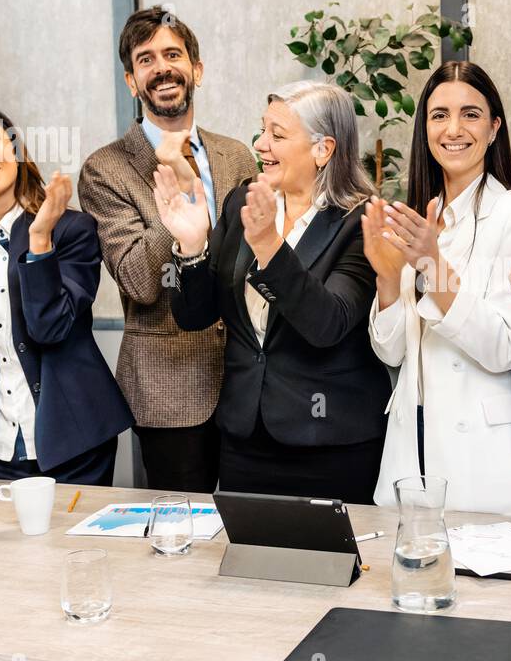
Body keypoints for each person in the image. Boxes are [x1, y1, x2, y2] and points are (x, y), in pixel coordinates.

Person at [155, 81, 390, 502]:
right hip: (246, 440)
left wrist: (268, 246)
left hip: (331, 444)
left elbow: (328, 323)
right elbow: (196, 316)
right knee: (247, 564)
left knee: (329, 567)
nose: (261, 144)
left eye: (277, 135)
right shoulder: (243, 200)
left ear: (324, 149)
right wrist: (191, 249)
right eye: (262, 130)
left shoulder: (362, 220)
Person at [78, 6, 255, 493]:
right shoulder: (105, 168)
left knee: (253, 526)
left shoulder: (236, 154)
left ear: (196, 69)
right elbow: (138, 280)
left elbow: (256, 257)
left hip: (249, 381)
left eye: (172, 54)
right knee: (184, 538)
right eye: (146, 59)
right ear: (132, 81)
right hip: (170, 390)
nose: (162, 68)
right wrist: (175, 204)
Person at [364, 61, 511, 516]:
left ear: (493, 128)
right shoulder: (415, 218)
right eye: (439, 114)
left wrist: (432, 265)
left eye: (470, 114)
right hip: (413, 449)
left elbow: (503, 346)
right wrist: (388, 279)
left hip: (486, 458)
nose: (453, 129)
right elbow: (391, 353)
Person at [0, 104, 132, 486]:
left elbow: (51, 328)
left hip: (73, 441)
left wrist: (40, 241)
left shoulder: (72, 229)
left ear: (15, 152)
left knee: (74, 547)